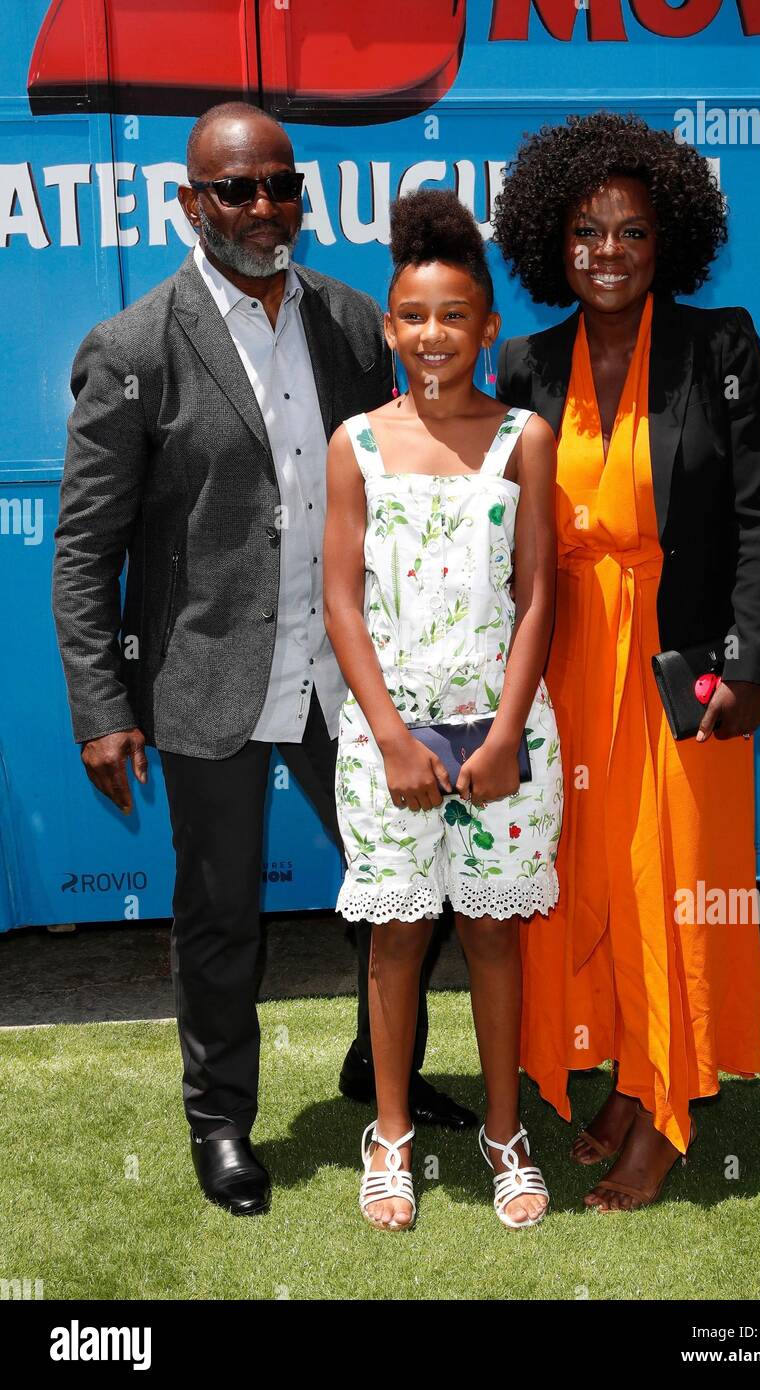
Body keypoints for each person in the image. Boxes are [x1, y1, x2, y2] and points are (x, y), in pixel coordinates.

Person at [51, 101, 471, 1221]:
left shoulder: (346, 318)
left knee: (402, 890)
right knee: (220, 915)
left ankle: (372, 1069)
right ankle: (220, 1122)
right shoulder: (136, 347)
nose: (262, 208)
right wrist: (101, 703)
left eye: (279, 185)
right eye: (234, 190)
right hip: (208, 678)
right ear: (191, 204)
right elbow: (86, 548)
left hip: (348, 677)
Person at [492, 112, 760, 1211]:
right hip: (566, 662)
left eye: (627, 231)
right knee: (595, 884)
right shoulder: (521, 362)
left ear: (667, 240)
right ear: (549, 243)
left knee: (677, 889)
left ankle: (665, 1114)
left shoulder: (720, 347)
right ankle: (620, 1071)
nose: (604, 252)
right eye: (582, 232)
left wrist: (748, 660)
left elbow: (758, 514)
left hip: (684, 665)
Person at [323, 189, 563, 1231]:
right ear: (389, 324)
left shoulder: (523, 439)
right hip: (391, 740)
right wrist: (389, 736)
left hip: (502, 737)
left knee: (496, 938)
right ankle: (390, 1135)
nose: (432, 335)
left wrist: (506, 731)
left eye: (454, 314)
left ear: (486, 326)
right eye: (413, 315)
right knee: (396, 942)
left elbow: (539, 590)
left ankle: (503, 1132)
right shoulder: (357, 445)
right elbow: (337, 599)